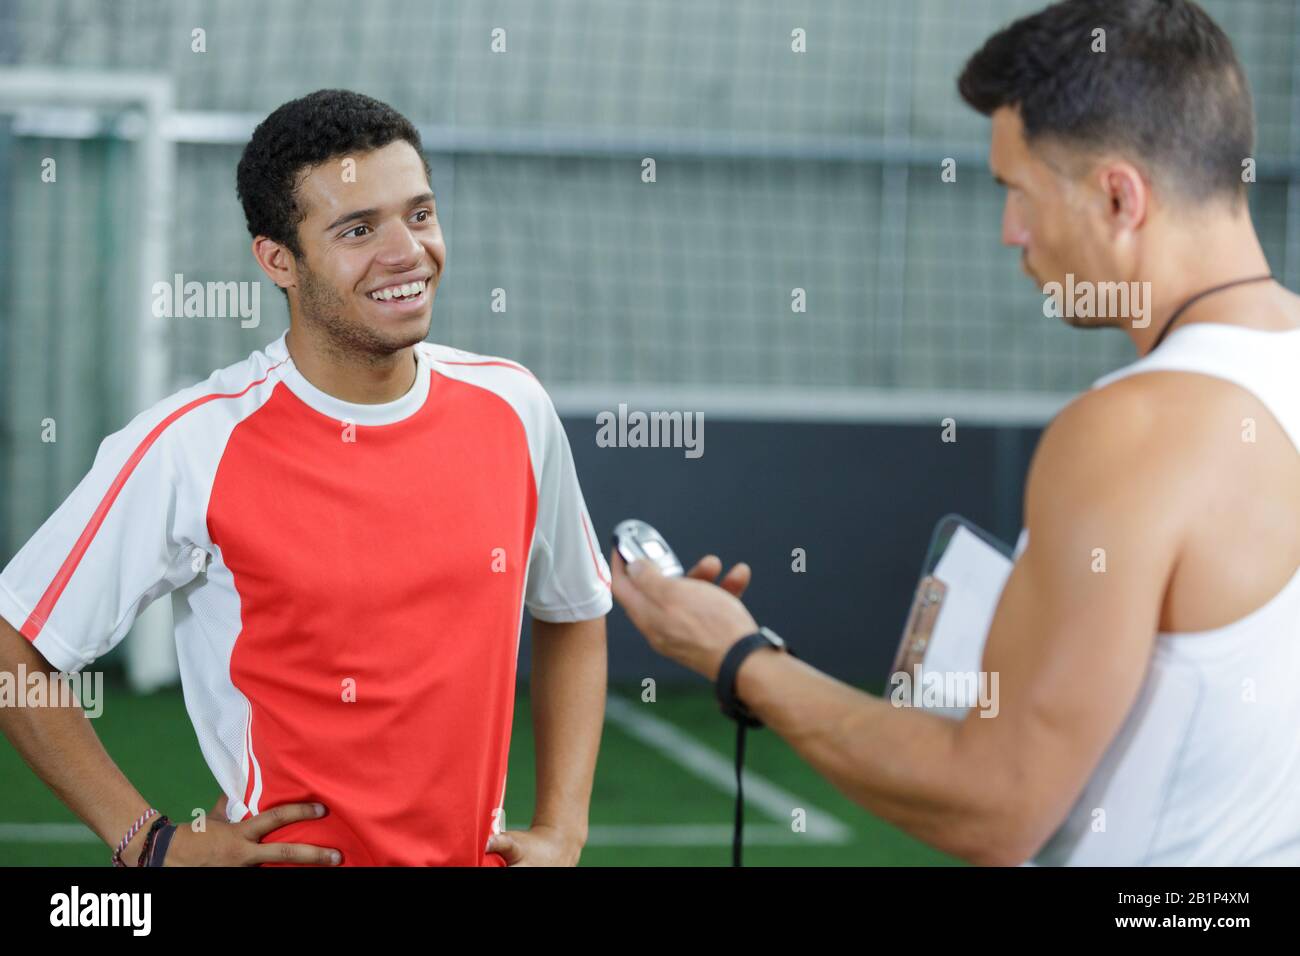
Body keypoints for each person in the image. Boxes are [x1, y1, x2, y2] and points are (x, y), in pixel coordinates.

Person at [612, 0, 1300, 865]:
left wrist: (736, 656)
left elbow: (995, 805)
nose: (1011, 232)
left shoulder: (1133, 429)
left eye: (1016, 192)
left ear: (1119, 195)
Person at [0, 89, 611, 867]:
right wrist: (146, 843)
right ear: (277, 259)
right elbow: (12, 643)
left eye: (419, 214)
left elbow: (574, 608)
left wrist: (564, 829)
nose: (406, 253)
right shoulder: (194, 443)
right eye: (358, 230)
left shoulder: (514, 407)